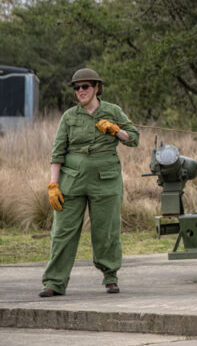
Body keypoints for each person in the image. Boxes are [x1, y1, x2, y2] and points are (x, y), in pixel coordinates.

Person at [39, 68, 139, 297]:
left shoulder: (112, 111)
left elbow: (134, 138)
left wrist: (116, 130)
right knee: (62, 232)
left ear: (96, 87)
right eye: (77, 88)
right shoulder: (69, 117)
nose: (80, 91)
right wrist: (53, 185)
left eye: (85, 86)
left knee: (107, 230)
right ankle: (54, 282)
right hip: (72, 181)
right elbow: (58, 154)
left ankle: (110, 276)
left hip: (106, 180)